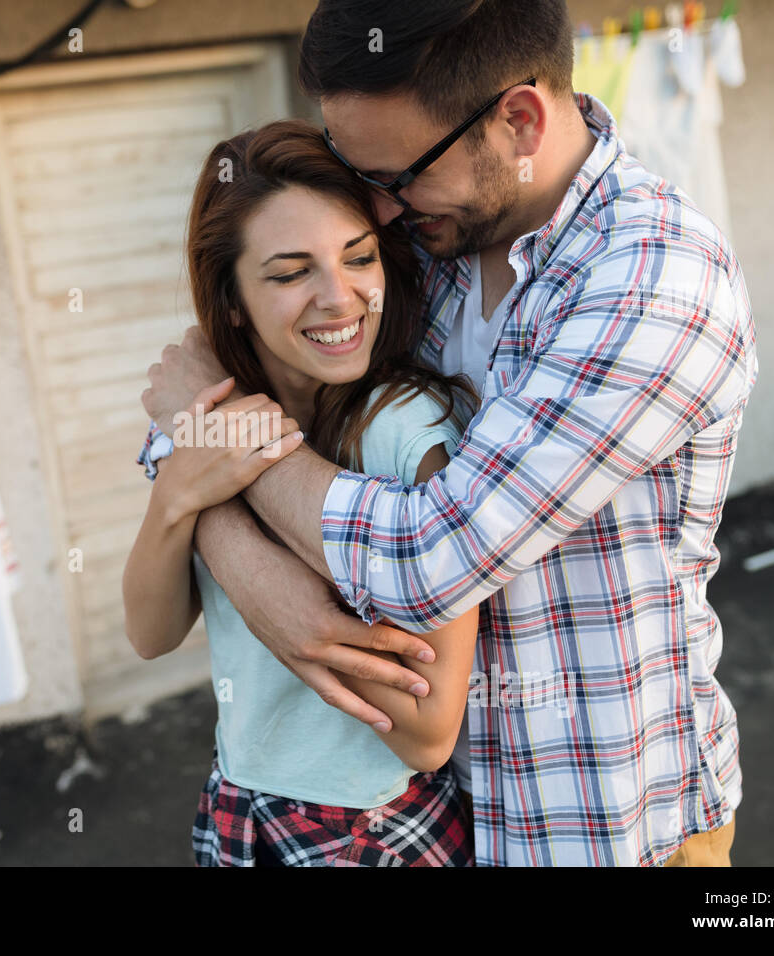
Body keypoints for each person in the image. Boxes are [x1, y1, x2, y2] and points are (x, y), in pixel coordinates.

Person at [137, 0, 757, 866]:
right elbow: (235, 359)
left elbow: (431, 555)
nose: (380, 217)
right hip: (442, 814)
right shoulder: (432, 240)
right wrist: (202, 472)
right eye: (363, 179)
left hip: (610, 819)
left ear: (519, 121)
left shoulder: (654, 277)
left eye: (396, 177)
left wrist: (230, 493)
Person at [122, 119, 482, 866]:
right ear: (229, 300)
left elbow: (429, 732)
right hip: (239, 804)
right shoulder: (210, 417)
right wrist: (180, 494)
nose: (340, 297)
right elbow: (150, 634)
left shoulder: (407, 433)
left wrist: (275, 584)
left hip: (374, 826)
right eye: (290, 274)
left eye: (359, 258)